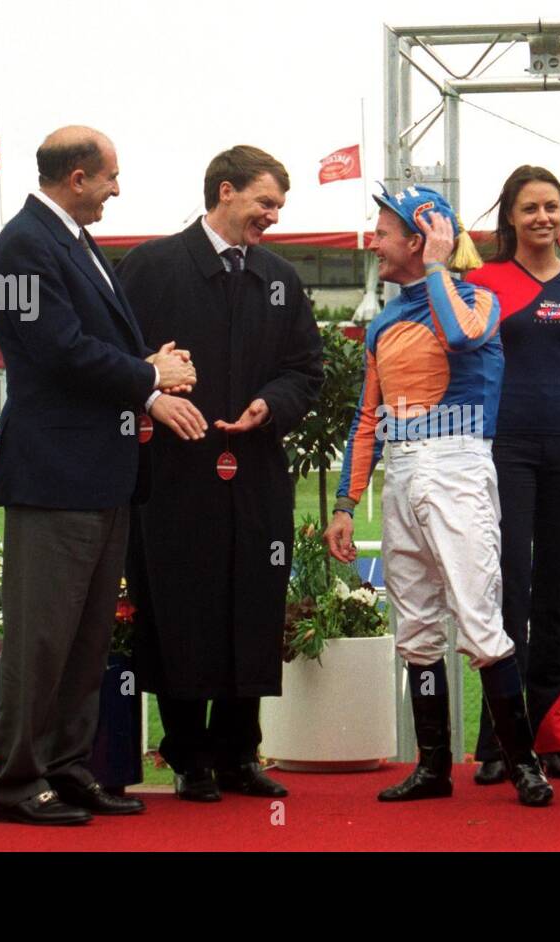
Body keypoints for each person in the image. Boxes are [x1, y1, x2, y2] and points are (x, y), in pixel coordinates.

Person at [0, 125, 204, 826]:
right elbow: (52, 350)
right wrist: (146, 374)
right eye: (110, 176)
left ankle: (68, 769)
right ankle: (19, 783)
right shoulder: (21, 243)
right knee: (41, 637)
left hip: (102, 470)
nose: (117, 189)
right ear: (77, 177)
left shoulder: (75, 243)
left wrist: (149, 367)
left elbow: (94, 343)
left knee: (84, 638)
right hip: (52, 472)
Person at [324, 183, 553, 807]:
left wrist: (436, 267)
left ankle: (522, 762)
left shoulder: (479, 299)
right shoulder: (383, 324)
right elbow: (365, 419)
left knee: (479, 623)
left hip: (457, 467)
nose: (374, 240)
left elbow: (458, 338)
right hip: (400, 469)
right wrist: (347, 504)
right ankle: (431, 767)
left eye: (384, 230)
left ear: (422, 238)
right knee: (416, 629)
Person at [117, 145, 323, 803]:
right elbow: (111, 360)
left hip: (256, 472)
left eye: (280, 207)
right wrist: (153, 396)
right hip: (173, 477)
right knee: (181, 610)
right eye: (266, 203)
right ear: (225, 191)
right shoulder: (150, 268)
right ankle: (187, 758)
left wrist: (272, 404)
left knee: (252, 608)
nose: (273, 216)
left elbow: (306, 369)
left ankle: (239, 753)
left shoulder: (281, 278)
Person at [465, 166, 560, 785]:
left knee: (557, 592)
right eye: (530, 209)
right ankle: (499, 742)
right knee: (509, 588)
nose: (542, 218)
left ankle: (550, 738)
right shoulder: (483, 281)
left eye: (552, 207)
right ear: (510, 218)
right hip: (506, 448)